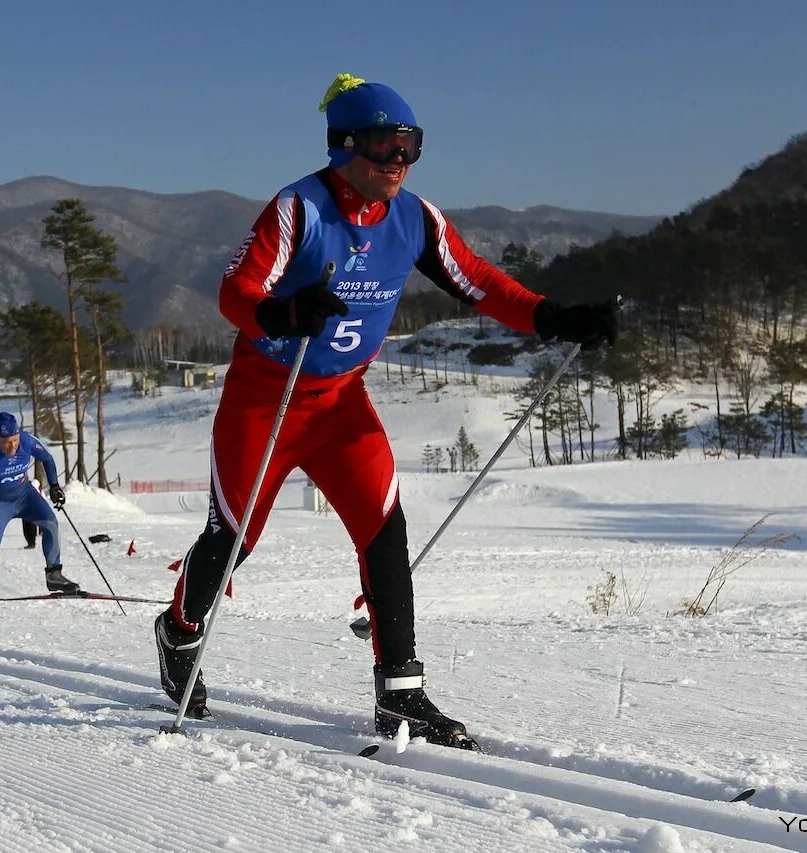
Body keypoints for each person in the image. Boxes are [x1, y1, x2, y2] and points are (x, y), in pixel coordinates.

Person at [154, 73, 618, 750]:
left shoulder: (415, 218)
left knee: (383, 527)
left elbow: (477, 282)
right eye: (384, 146)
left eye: (411, 146)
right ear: (344, 146)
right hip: (267, 401)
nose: (398, 161)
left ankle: (401, 696)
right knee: (233, 539)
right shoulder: (300, 209)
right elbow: (236, 291)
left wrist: (554, 317)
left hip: (341, 400)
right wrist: (282, 311)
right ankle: (180, 630)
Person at [0, 412, 76, 616]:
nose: (12, 447)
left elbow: (47, 458)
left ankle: (54, 575)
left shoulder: (27, 440)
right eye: (5, 443)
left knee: (51, 524)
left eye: (15, 440)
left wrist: (54, 486)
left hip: (25, 495)